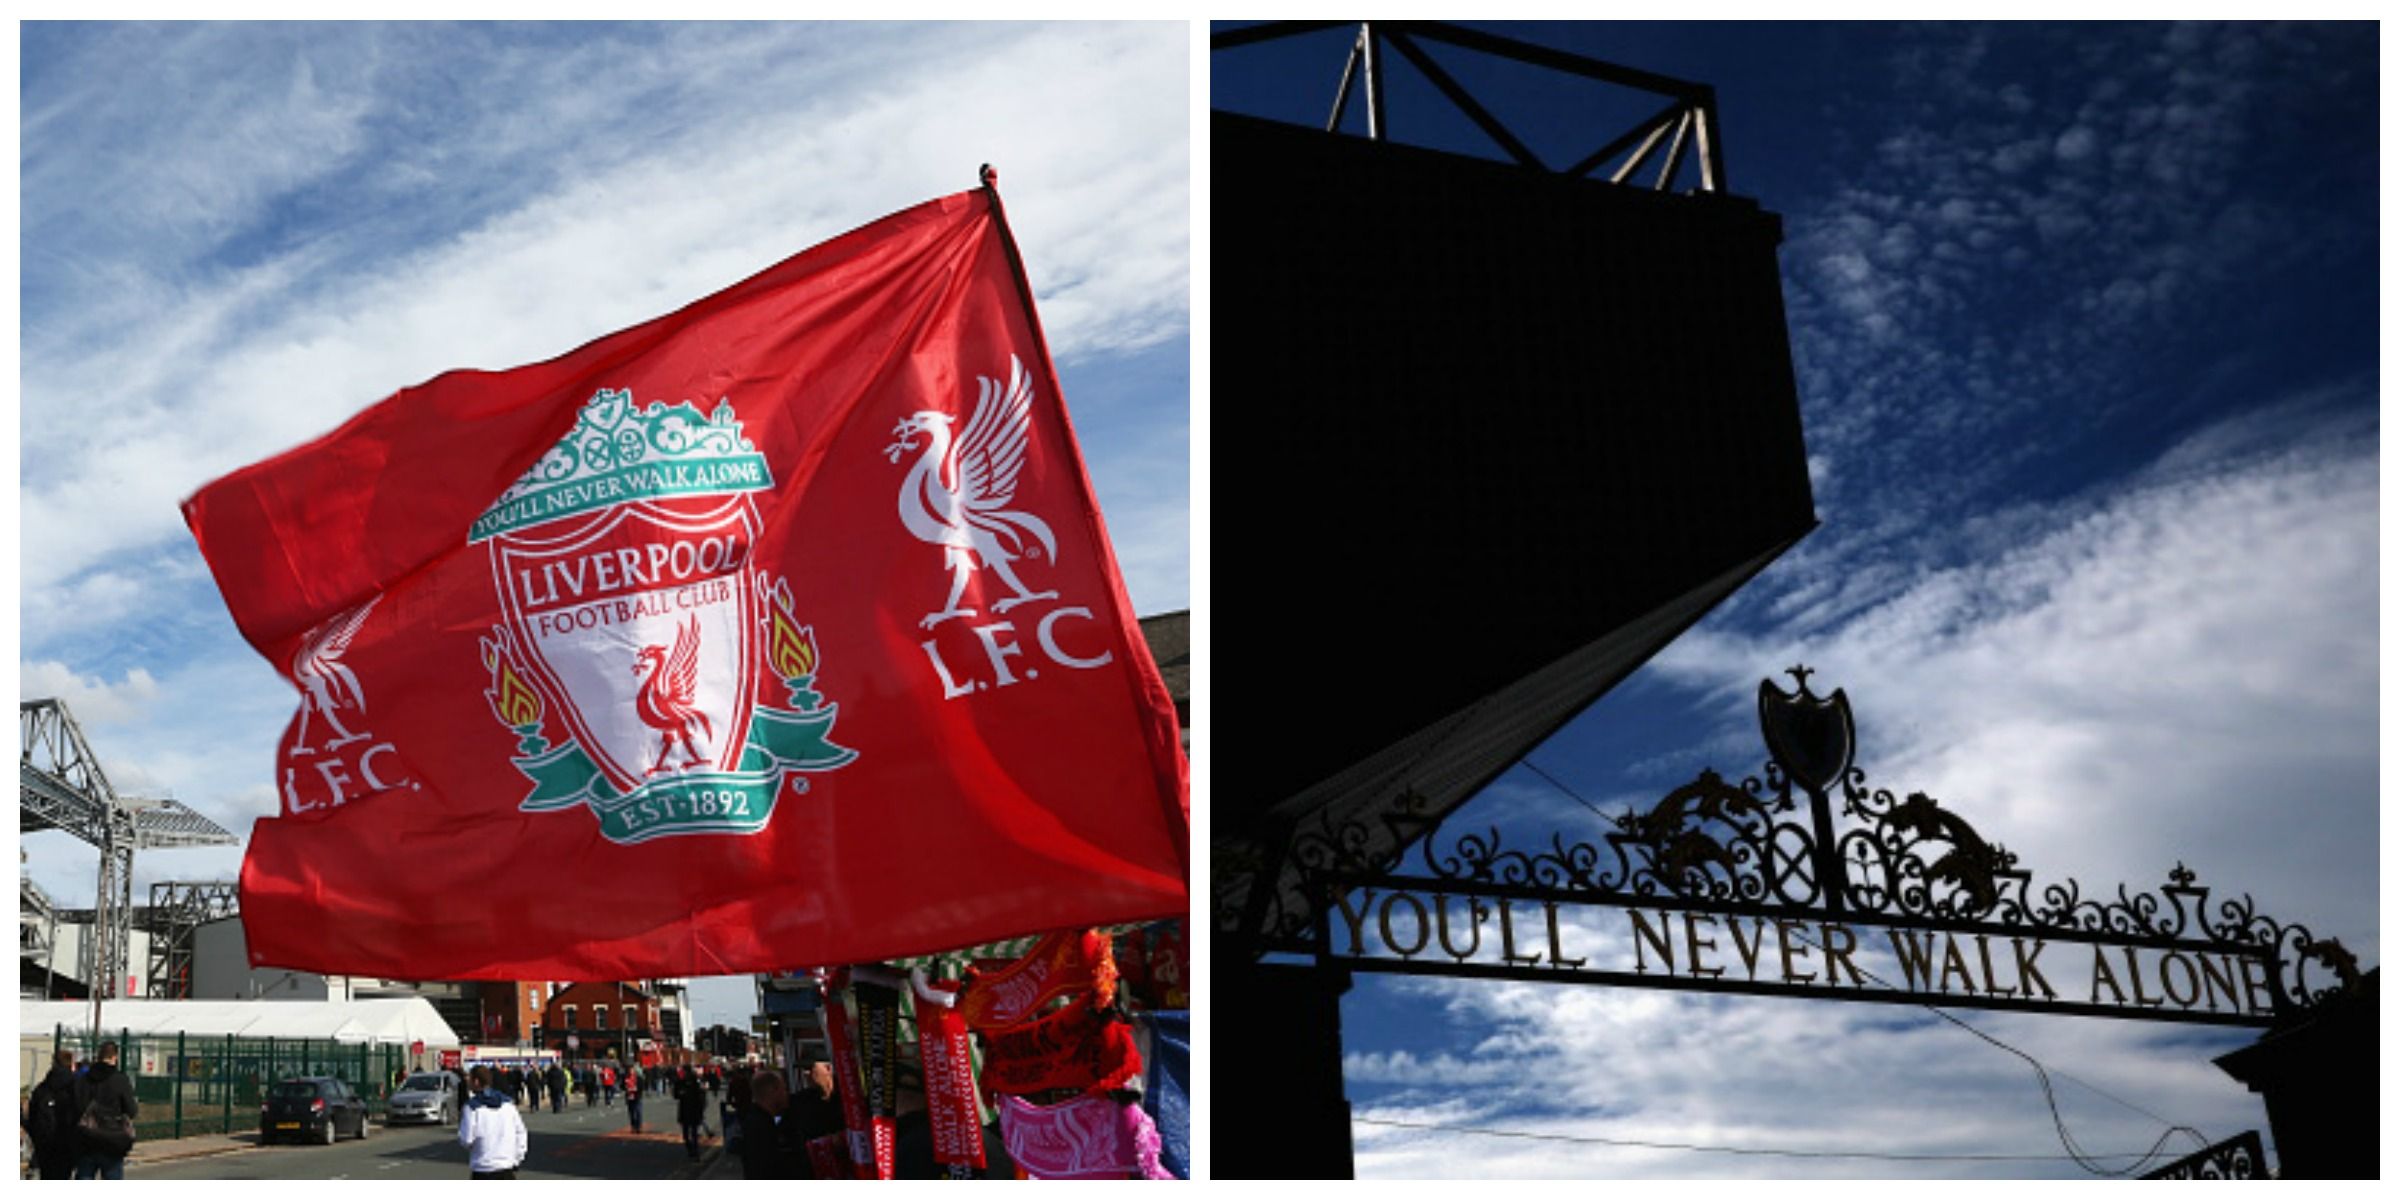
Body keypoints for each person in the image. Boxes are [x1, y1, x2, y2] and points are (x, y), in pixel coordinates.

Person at [69, 1042, 138, 1180]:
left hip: (87, 1139)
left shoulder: (84, 1080)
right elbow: (131, 1110)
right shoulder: (120, 1080)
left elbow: (76, 1106)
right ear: (114, 1057)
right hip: (112, 1139)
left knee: (84, 1175)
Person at [458, 1066, 528, 1180]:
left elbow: (466, 1139)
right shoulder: (508, 1105)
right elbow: (521, 1132)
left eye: (469, 1079)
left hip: (483, 1167)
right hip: (506, 1166)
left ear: (476, 1081)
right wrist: (517, 1157)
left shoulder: (472, 1107)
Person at [22, 1050, 78, 1180]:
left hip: (44, 1143)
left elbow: (32, 1116)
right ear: (71, 1064)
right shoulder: (75, 1086)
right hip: (67, 1141)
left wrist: (35, 1136)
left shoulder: (42, 1088)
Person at [738, 1069, 805, 1179]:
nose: (787, 1094)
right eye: (784, 1089)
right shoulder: (760, 1129)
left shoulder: (758, 1120)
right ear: (773, 1092)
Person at [720, 1070, 750, 1170]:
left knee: (741, 1126)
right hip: (747, 1107)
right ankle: (746, 1144)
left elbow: (729, 1096)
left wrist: (732, 1103)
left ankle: (742, 1145)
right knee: (745, 1126)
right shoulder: (745, 1081)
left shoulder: (734, 1082)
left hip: (740, 1107)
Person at [674, 1069, 708, 1160]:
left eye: (686, 1073)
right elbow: (676, 1095)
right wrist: (680, 1093)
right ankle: (690, 1149)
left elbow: (702, 1098)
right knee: (685, 1135)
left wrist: (701, 1111)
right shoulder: (680, 1083)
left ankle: (696, 1152)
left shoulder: (696, 1084)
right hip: (684, 1110)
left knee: (694, 1133)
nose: (685, 1075)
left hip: (694, 1111)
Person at [623, 1067, 644, 1133]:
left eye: (632, 1070)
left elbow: (641, 1087)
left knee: (638, 1112)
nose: (630, 1072)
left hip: (637, 1096)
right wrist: (626, 1088)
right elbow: (623, 1086)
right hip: (629, 1097)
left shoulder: (638, 1078)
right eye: (629, 1071)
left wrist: (636, 1089)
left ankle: (639, 1126)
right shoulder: (626, 1078)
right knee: (631, 1113)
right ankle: (633, 1126)